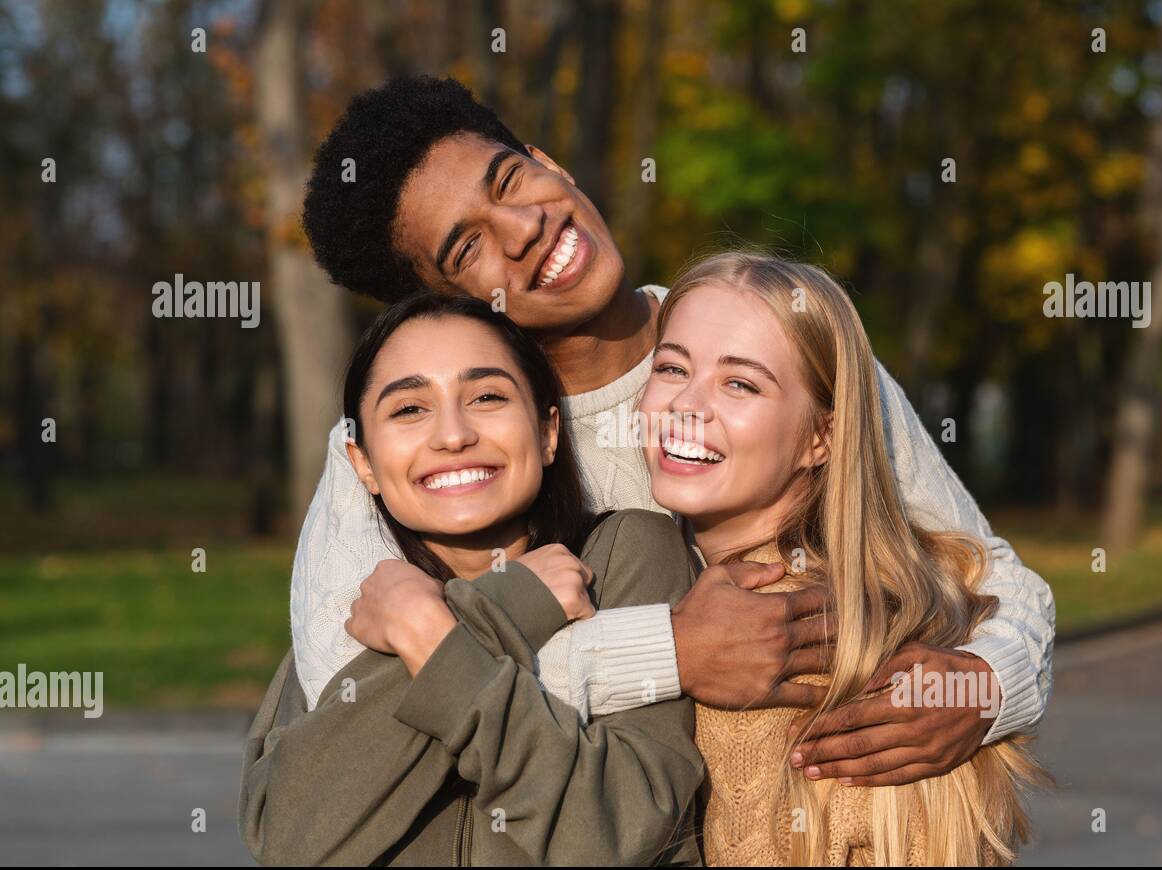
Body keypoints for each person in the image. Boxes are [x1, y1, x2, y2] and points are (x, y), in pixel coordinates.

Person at [299, 74, 1055, 791]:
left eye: (509, 181)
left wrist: (983, 685)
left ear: (548, 162)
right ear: (447, 305)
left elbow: (994, 579)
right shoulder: (413, 445)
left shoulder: (784, 343)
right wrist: (670, 651)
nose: (526, 227)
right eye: (468, 247)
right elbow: (348, 706)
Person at [239, 293, 704, 865]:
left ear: (548, 430)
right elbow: (289, 839)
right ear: (363, 463)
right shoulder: (354, 612)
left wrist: (436, 638)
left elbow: (615, 832)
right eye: (409, 409)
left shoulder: (626, 554)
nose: (453, 435)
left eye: (486, 397)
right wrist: (502, 610)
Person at [635, 252, 1051, 864]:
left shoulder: (777, 656)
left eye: (740, 383)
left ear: (820, 437)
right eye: (672, 368)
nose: (687, 406)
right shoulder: (897, 589)